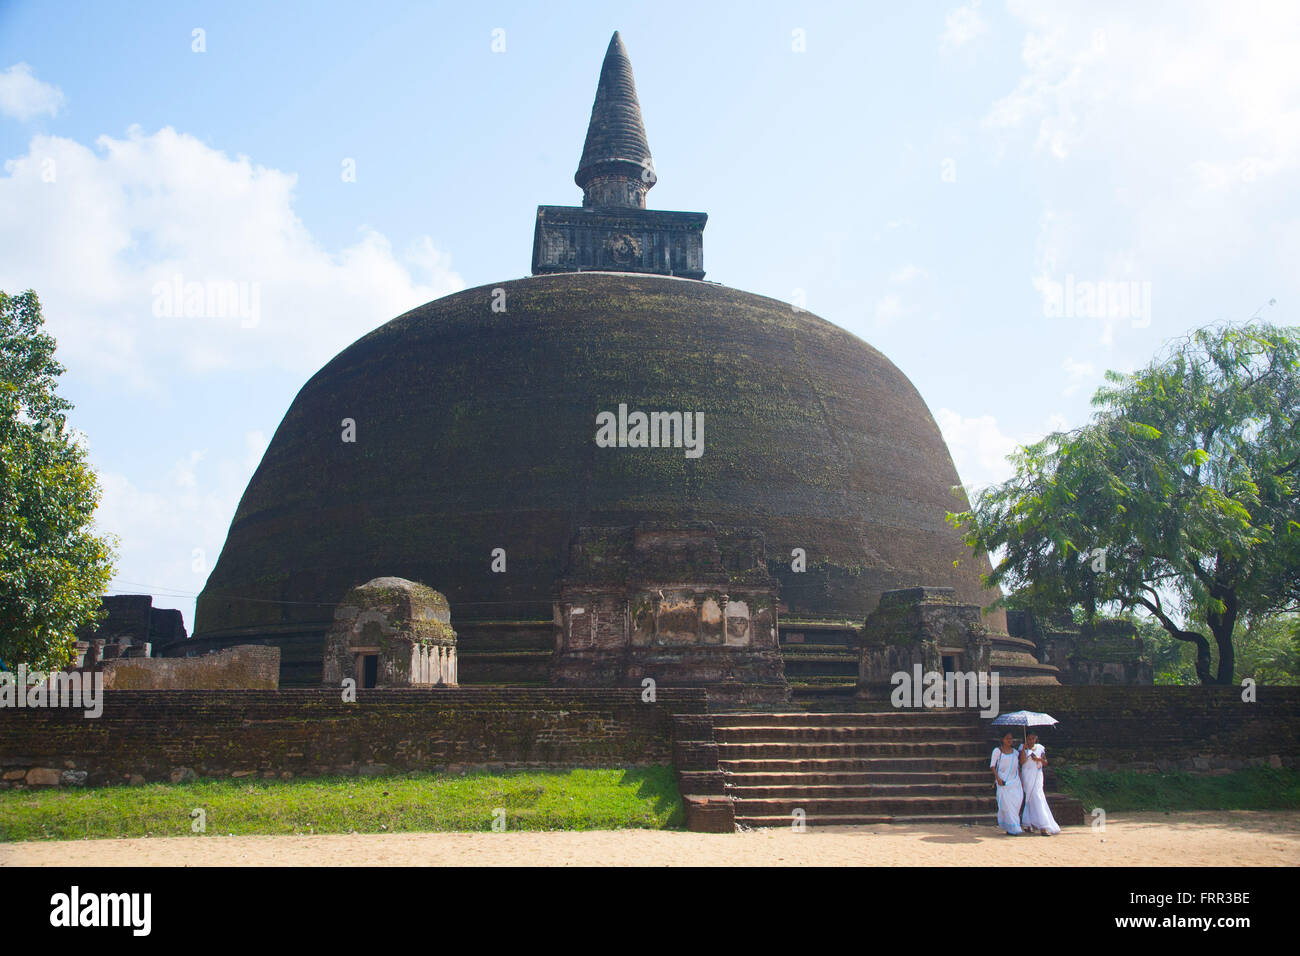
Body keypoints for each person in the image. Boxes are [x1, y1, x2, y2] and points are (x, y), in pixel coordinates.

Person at [1018, 731, 1061, 835]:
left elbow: (1045, 762)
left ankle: (1043, 825)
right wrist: (1024, 749)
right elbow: (1022, 762)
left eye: (1033, 738)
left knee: (1038, 797)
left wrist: (1038, 759)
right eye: (1029, 739)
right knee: (1029, 798)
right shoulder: (1022, 748)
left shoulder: (1040, 748)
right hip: (1027, 775)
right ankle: (1029, 823)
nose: (1031, 741)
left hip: (1037, 775)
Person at [990, 731, 1024, 835]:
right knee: (1007, 805)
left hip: (1015, 782)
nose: (1009, 740)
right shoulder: (997, 751)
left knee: (1016, 803)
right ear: (1003, 740)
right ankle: (1014, 828)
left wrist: (1021, 781)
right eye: (1007, 738)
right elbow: (992, 766)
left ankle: (1013, 826)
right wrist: (998, 779)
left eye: (1011, 738)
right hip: (1003, 782)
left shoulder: (1015, 752)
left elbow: (1018, 766)